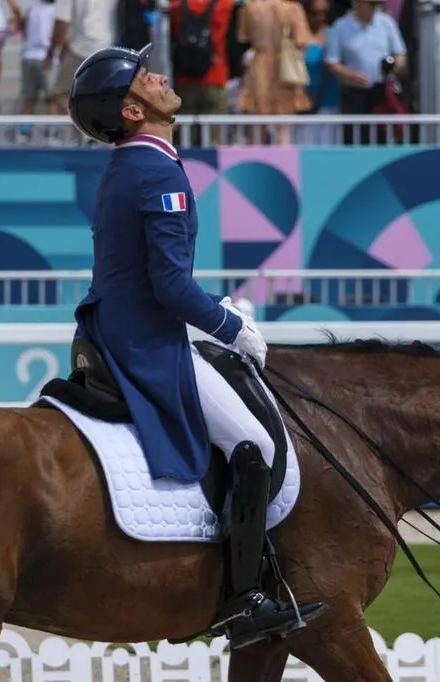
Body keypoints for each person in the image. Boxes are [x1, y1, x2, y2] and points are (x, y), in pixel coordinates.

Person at [67, 43, 327, 650]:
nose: (159, 76)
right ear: (132, 109)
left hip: (120, 327)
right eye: (144, 77)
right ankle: (242, 599)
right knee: (253, 443)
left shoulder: (133, 165)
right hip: (145, 341)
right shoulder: (154, 170)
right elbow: (172, 285)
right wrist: (232, 327)